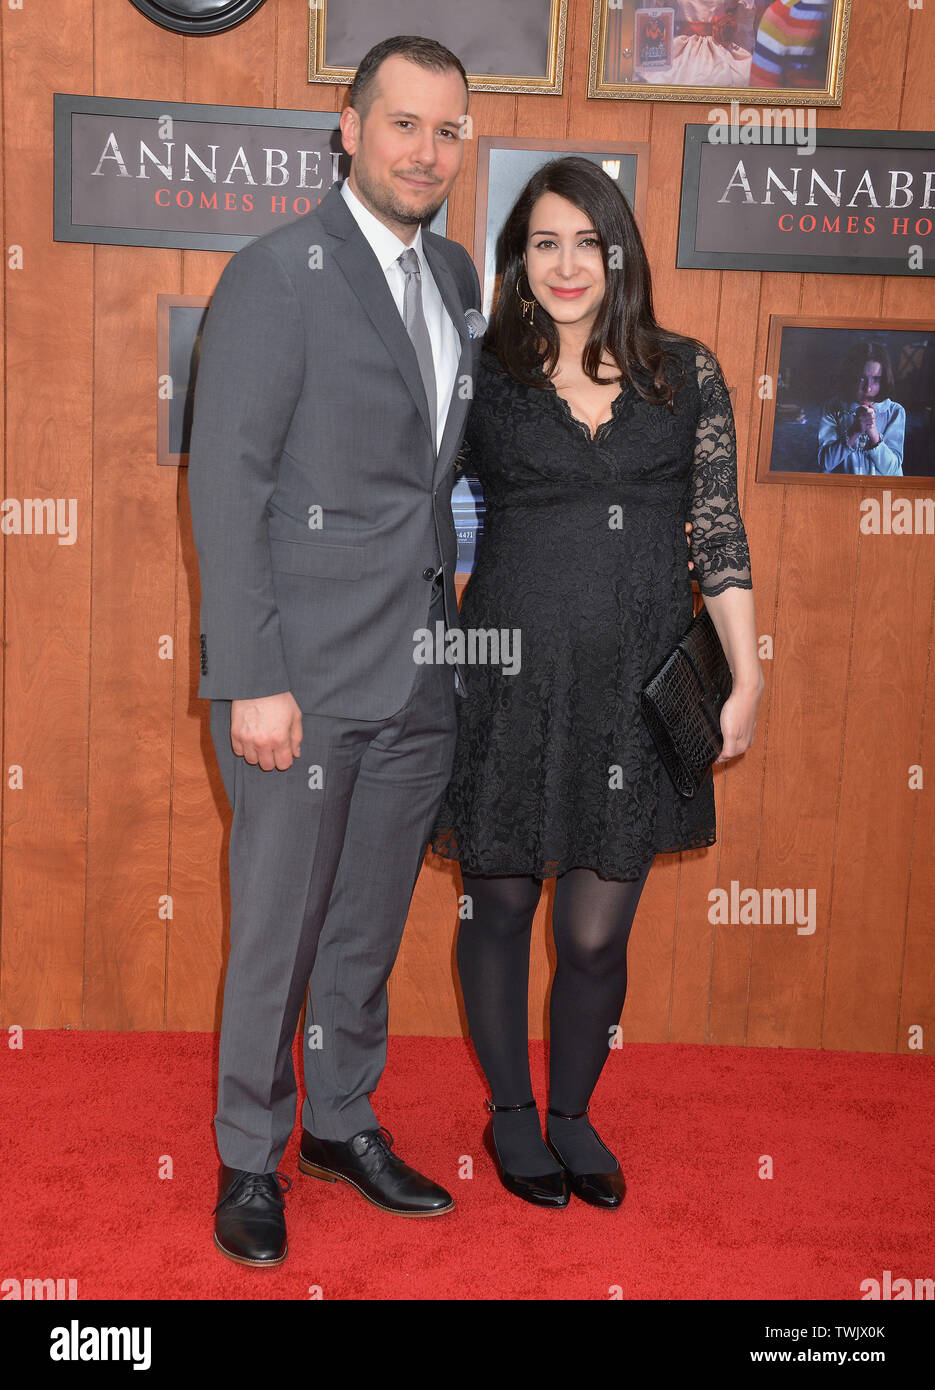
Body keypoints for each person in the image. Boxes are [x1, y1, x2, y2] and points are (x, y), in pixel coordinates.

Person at [188, 35, 484, 1266]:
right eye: (402, 124)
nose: (425, 150)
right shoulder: (276, 275)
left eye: (446, 131)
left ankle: (341, 1120)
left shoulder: (460, 277)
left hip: (419, 673)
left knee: (363, 926)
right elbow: (227, 486)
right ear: (348, 129)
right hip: (295, 680)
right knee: (280, 927)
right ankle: (250, 1152)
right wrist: (251, 675)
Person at [429, 156, 763, 1208]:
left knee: (590, 929)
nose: (565, 263)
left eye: (586, 241)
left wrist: (744, 677)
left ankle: (571, 1111)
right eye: (542, 243)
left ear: (618, 253)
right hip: (506, 678)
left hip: (632, 685)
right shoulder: (478, 375)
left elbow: (716, 532)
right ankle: (511, 1114)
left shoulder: (684, 372)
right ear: (516, 261)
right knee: (497, 901)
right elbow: (413, 516)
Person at [817, 340, 906, 476]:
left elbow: (892, 470)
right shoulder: (832, 408)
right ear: (850, 377)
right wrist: (854, 432)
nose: (868, 388)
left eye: (876, 379)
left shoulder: (895, 411)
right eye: (862, 378)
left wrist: (873, 433)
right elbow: (825, 463)